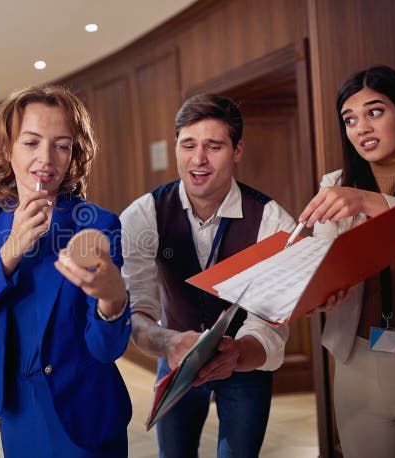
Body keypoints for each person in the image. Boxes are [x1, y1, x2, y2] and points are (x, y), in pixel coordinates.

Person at [0, 85, 131, 457]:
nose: (46, 158)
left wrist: (113, 303)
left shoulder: (98, 225)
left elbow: (106, 347)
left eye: (61, 145)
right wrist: (11, 249)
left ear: (73, 154)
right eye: (31, 142)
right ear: (7, 148)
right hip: (18, 406)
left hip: (84, 407)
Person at [121, 94, 294, 457]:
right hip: (174, 358)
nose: (198, 159)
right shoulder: (143, 215)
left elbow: (273, 323)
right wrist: (167, 342)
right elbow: (135, 310)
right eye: (188, 145)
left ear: (237, 150)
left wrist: (239, 354)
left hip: (244, 362)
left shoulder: (273, 221)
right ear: (176, 147)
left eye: (213, 146)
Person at [298, 65, 395, 457]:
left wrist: (370, 202)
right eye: (349, 120)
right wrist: (318, 292)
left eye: (374, 112)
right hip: (357, 361)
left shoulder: (357, 194)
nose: (361, 128)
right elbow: (325, 261)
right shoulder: (335, 184)